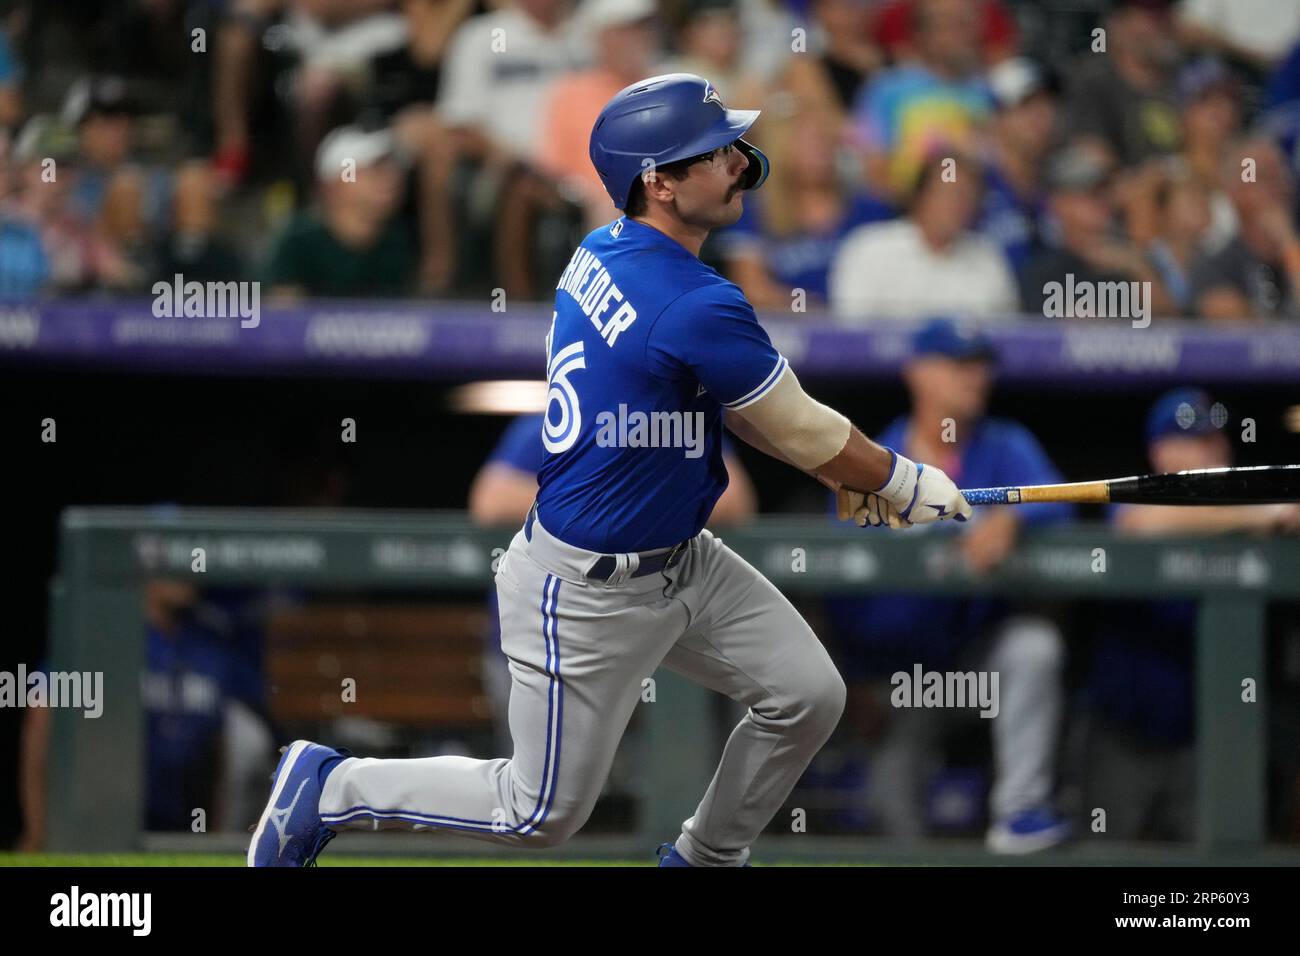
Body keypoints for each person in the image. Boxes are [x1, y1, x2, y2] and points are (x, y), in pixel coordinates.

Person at [248, 72, 973, 868]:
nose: (740, 163)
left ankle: (702, 860)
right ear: (658, 182)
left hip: (684, 560)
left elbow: (751, 415)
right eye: (715, 152)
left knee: (807, 696)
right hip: (587, 590)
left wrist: (854, 477)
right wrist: (900, 481)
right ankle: (332, 785)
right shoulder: (692, 300)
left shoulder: (604, 245)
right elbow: (798, 426)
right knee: (538, 813)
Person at [825, 318, 1074, 853]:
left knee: (1033, 647)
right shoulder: (872, 457)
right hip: (890, 678)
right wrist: (852, 682)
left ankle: (1021, 813)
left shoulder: (1006, 445)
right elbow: (829, 581)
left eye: (981, 366)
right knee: (891, 824)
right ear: (917, 373)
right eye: (959, 365)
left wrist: (1015, 517)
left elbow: (1062, 503)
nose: (975, 378)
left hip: (971, 659)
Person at [469, 412, 757, 755]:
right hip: (546, 636)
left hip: (660, 640)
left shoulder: (685, 422)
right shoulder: (555, 421)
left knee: (684, 760)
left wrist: (603, 497)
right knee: (539, 786)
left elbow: (736, 501)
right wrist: (633, 493)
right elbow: (492, 502)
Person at [1083, 388, 1300, 840]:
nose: (1214, 450)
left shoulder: (1250, 518)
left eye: (1216, 439)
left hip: (1212, 740)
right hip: (1125, 733)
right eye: (1197, 440)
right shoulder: (1139, 503)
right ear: (1161, 450)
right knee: (1104, 854)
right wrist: (1261, 515)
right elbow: (1136, 527)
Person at [829, 152, 1018, 322]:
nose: (958, 205)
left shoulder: (987, 258)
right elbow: (852, 334)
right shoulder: (870, 248)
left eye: (967, 196)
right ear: (920, 196)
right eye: (949, 194)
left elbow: (1004, 337)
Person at [263, 124, 417, 299]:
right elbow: (282, 317)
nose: (392, 178)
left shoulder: (400, 239)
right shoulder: (298, 242)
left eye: (394, 169)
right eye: (375, 168)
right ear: (335, 182)